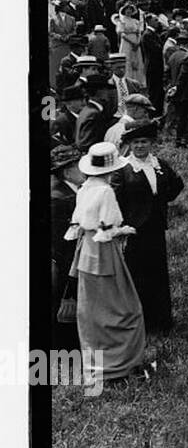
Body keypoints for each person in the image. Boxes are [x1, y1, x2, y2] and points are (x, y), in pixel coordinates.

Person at [63, 142, 147, 385]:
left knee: (92, 309)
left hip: (86, 251)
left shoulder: (84, 188)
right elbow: (108, 225)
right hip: (103, 251)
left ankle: (97, 363)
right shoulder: (105, 191)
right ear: (111, 170)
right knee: (123, 308)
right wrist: (124, 230)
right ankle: (119, 363)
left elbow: (79, 222)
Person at [116, 119, 184, 335]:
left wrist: (159, 201)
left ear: (151, 143)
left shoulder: (160, 165)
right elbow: (116, 200)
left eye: (144, 142)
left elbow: (176, 185)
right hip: (135, 230)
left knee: (158, 273)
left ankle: (161, 319)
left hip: (155, 227)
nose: (140, 146)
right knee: (137, 275)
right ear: (130, 145)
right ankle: (140, 322)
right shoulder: (123, 169)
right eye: (135, 142)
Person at [50, 145, 85, 351]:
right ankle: (66, 348)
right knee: (65, 302)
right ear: (66, 171)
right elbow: (60, 241)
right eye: (78, 166)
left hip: (73, 258)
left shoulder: (72, 190)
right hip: (66, 262)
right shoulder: (59, 198)